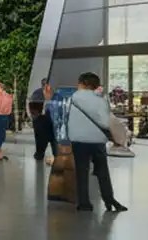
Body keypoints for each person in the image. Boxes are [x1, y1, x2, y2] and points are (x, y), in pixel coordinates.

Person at [67, 72, 127, 213]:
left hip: (79, 140)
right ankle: (109, 200)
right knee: (102, 172)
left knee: (82, 172)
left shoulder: (75, 97)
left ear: (82, 83)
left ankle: (84, 203)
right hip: (98, 140)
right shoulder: (102, 99)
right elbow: (106, 120)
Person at [29, 78, 54, 164]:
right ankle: (40, 154)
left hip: (49, 120)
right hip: (41, 120)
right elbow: (32, 106)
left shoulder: (54, 93)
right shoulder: (37, 93)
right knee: (41, 140)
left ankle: (43, 154)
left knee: (50, 140)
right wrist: (36, 117)